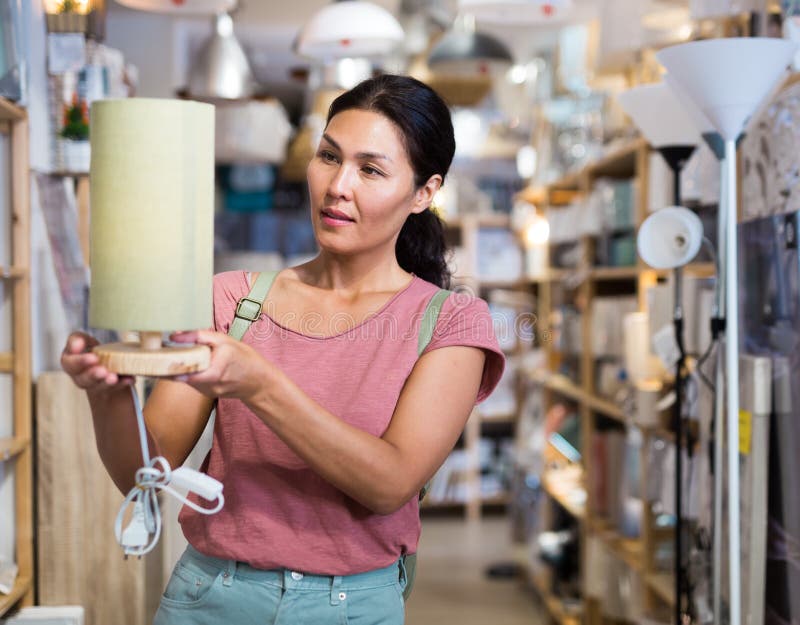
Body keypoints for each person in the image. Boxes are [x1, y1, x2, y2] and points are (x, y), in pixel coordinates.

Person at [61, 74, 505, 625]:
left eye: (370, 170)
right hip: (208, 598)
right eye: (329, 156)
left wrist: (260, 384)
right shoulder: (231, 300)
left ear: (424, 192)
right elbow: (146, 473)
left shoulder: (451, 323)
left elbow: (389, 484)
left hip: (350, 609)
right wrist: (106, 394)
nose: (337, 186)